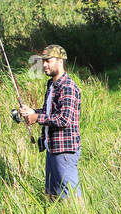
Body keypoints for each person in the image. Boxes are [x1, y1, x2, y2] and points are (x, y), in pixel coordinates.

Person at [18, 44, 82, 199]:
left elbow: (64, 119)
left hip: (64, 150)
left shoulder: (68, 87)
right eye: (43, 61)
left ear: (60, 61)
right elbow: (50, 113)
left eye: (48, 61)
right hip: (52, 148)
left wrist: (37, 118)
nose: (44, 65)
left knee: (71, 198)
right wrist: (32, 112)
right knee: (52, 196)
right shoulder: (52, 85)